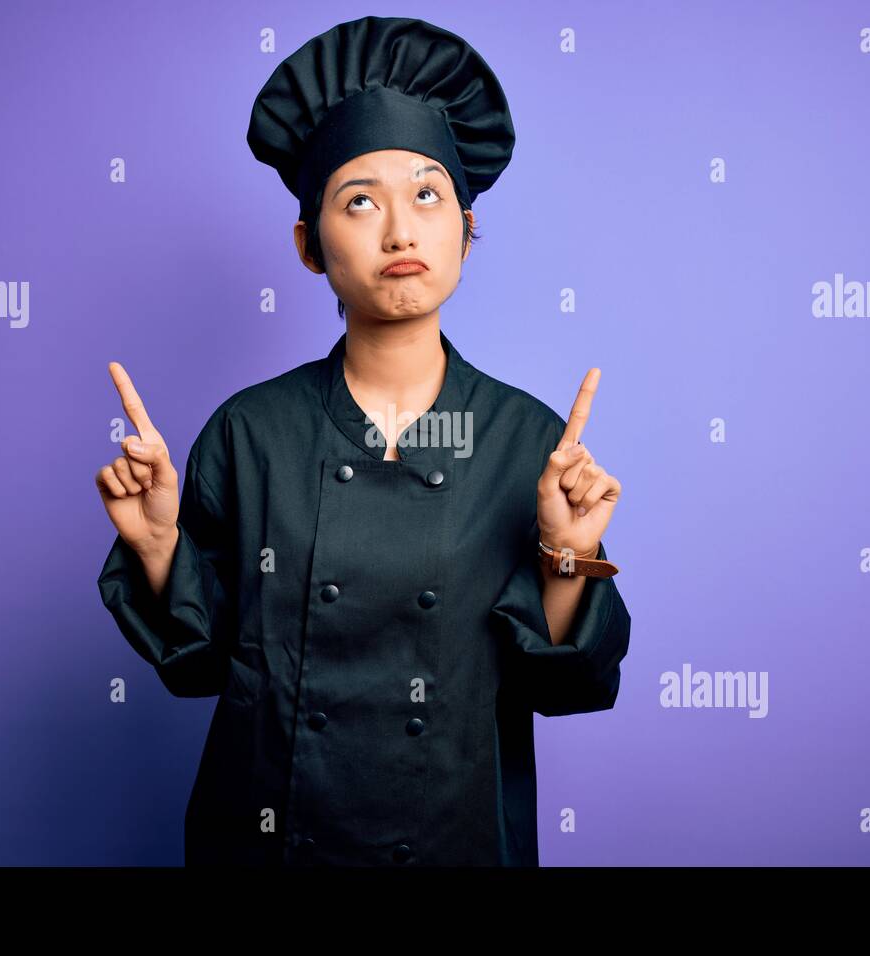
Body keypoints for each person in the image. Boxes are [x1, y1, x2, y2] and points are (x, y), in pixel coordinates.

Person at [95, 15, 631, 867]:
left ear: (466, 228)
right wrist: (161, 547)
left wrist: (568, 556)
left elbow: (562, 688)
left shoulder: (530, 441)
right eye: (359, 201)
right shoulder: (250, 432)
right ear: (310, 247)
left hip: (456, 840)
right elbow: (198, 669)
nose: (399, 231)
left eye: (427, 195)